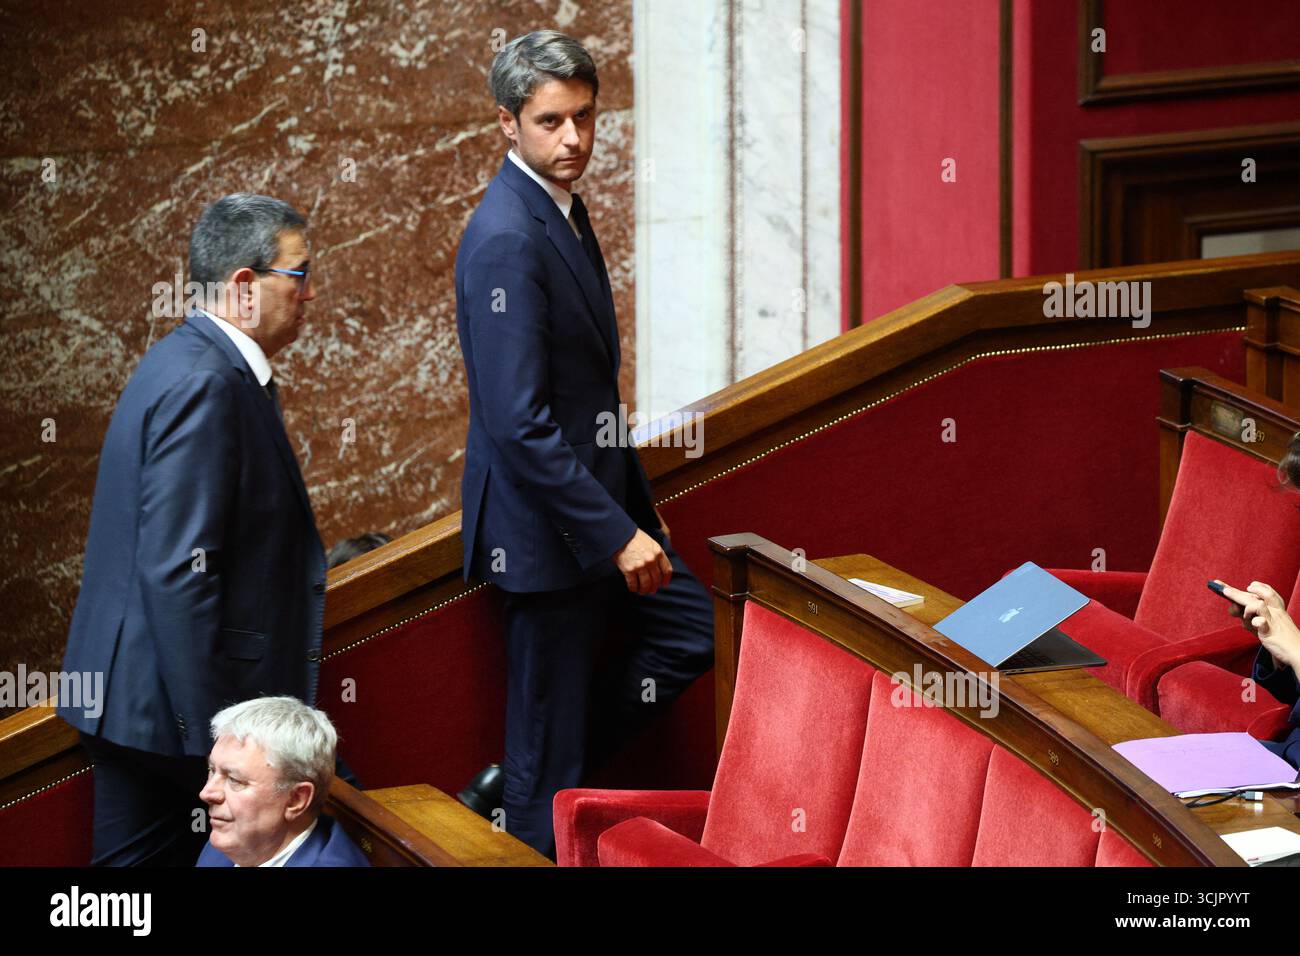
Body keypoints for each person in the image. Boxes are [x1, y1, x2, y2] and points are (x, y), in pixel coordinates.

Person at [453, 30, 715, 856]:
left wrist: (642, 518)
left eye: (585, 118)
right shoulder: (505, 236)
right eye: (550, 122)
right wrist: (617, 534)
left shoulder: (560, 210)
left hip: (597, 524)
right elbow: (519, 422)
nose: (573, 140)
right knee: (547, 751)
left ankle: (518, 786)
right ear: (508, 123)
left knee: (692, 630)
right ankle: (524, 805)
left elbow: (592, 399)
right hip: (542, 541)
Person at [58, 193, 327, 866]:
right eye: (298, 275)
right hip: (168, 714)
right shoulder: (208, 383)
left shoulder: (181, 360)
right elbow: (180, 570)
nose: (311, 293)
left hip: (138, 703)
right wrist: (225, 743)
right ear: (243, 287)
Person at [197, 696, 368, 867]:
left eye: (234, 780)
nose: (206, 793)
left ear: (296, 800)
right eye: (212, 770)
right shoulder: (238, 840)